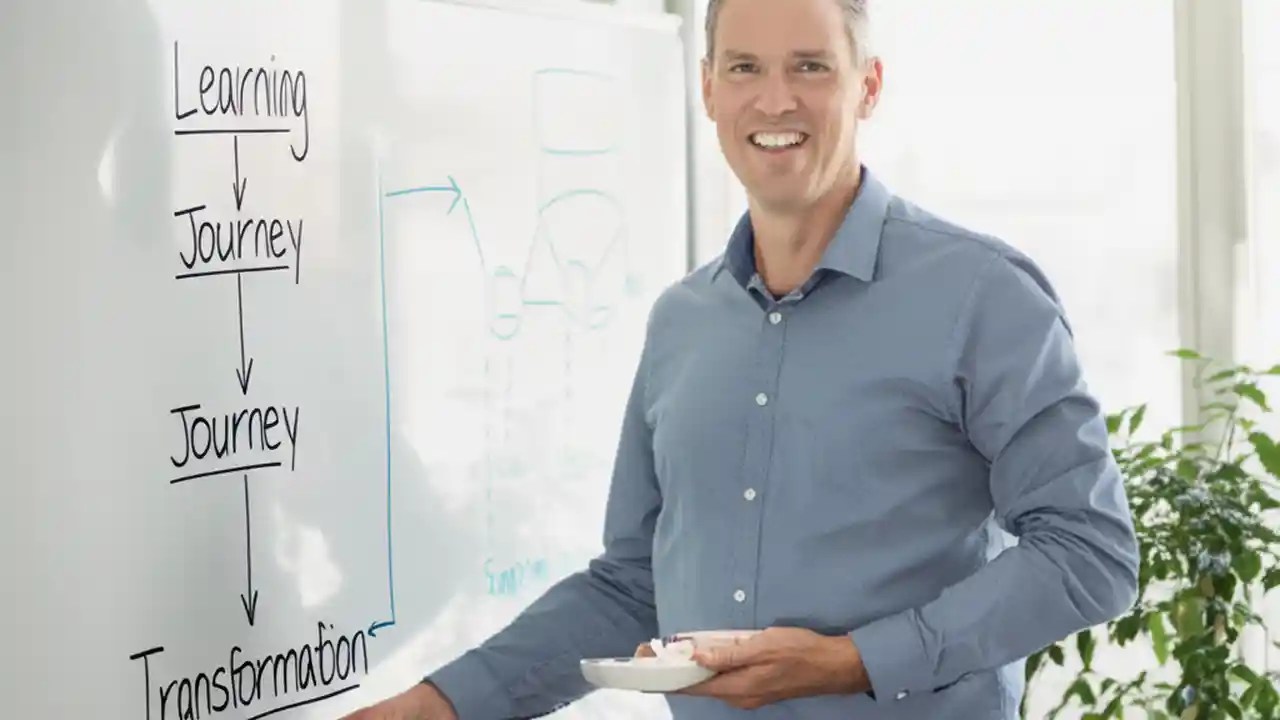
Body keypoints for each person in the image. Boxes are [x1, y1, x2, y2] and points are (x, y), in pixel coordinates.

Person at [342, 0, 1140, 717]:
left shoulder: (982, 295)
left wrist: (852, 663)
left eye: (810, 67)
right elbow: (633, 587)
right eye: (745, 68)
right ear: (708, 89)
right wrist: (439, 704)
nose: (775, 100)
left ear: (867, 86)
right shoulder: (682, 323)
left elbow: (1090, 552)